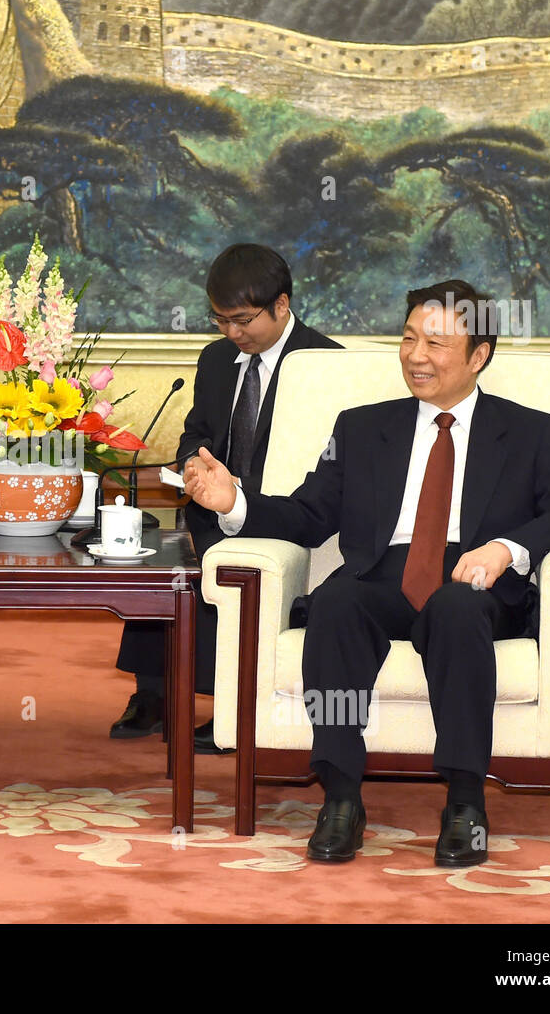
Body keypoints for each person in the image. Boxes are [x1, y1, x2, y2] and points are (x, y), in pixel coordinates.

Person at [183, 279, 550, 866]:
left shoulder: (528, 430)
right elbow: (306, 516)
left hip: (472, 580)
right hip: (382, 572)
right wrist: (235, 502)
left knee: (456, 611)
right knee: (334, 603)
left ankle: (464, 803)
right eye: (408, 338)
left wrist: (507, 549)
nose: (416, 355)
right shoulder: (362, 428)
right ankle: (342, 799)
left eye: (435, 342)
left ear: (478, 356)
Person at [109, 244, 340, 751]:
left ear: (281, 305)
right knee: (161, 555)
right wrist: (195, 462)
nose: (231, 333)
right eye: (219, 320)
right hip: (211, 503)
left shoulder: (325, 364)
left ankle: (230, 707)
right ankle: (151, 692)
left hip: (280, 514)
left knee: (226, 556)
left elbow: (334, 466)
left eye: (241, 320)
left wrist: (241, 498)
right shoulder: (217, 359)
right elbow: (198, 432)